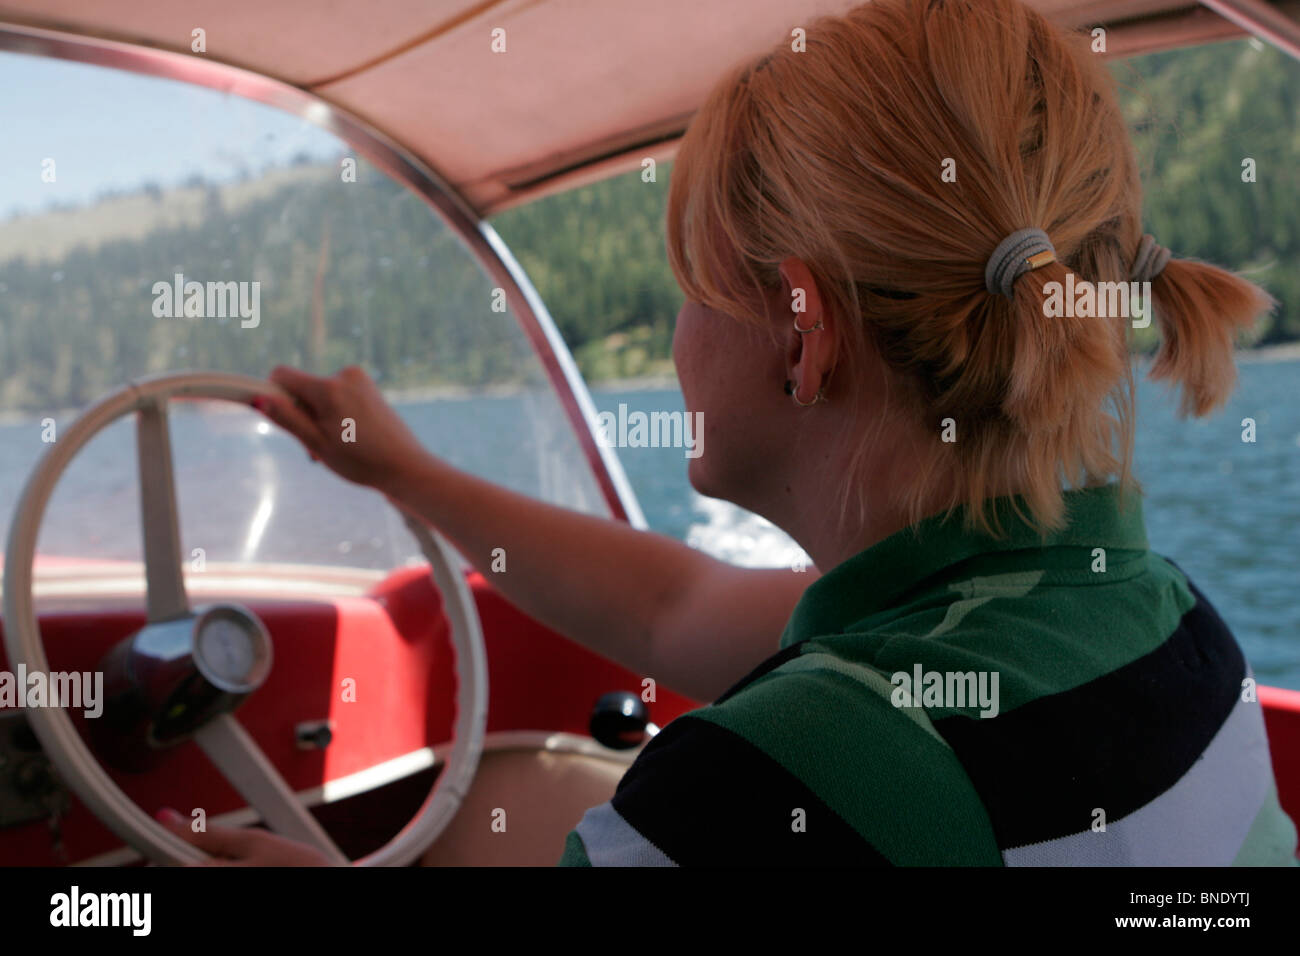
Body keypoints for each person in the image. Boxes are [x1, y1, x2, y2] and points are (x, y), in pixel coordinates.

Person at [160, 0, 1297, 865]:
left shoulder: (769, 777)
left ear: (802, 334)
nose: (674, 343)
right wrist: (402, 469)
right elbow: (675, 605)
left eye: (689, 290)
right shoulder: (1159, 617)